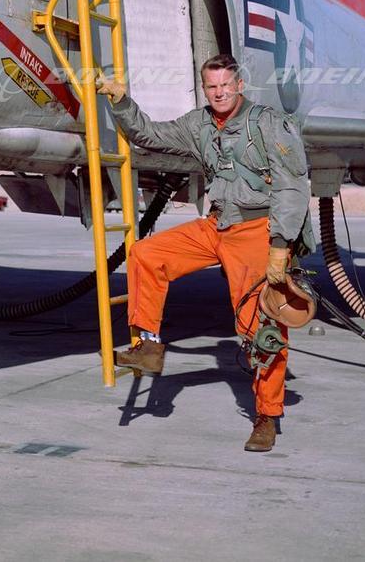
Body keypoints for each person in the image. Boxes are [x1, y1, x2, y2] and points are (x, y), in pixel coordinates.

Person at [96, 53, 312, 452]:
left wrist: (280, 246)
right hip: (217, 224)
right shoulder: (199, 124)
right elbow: (149, 135)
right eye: (211, 87)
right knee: (146, 253)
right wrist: (121, 101)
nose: (219, 92)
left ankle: (266, 415)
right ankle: (149, 345)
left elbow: (293, 186)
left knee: (259, 329)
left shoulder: (268, 123)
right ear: (204, 88)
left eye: (225, 85)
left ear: (240, 85)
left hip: (255, 230)